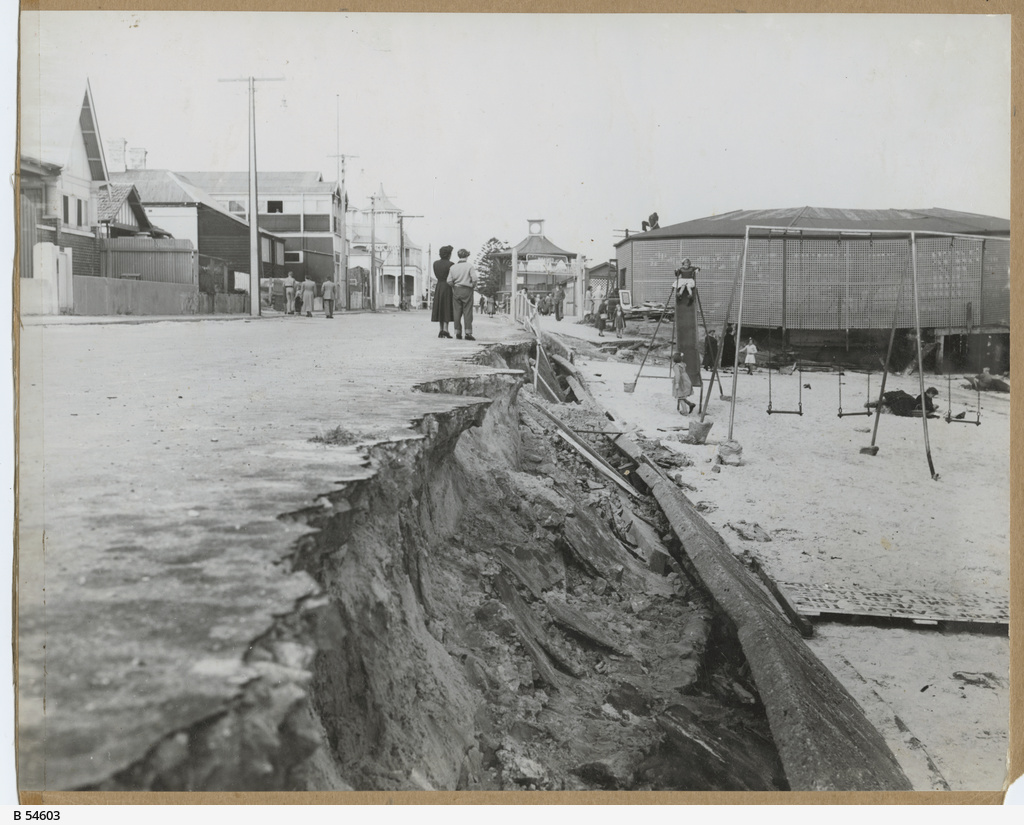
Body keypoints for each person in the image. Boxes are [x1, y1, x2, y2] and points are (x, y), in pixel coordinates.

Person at [449, 248, 477, 341]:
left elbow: (449, 280)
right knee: (467, 312)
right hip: (467, 290)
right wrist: (472, 286)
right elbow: (475, 279)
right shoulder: (469, 266)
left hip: (457, 289)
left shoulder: (453, 267)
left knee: (457, 312)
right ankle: (468, 333)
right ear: (467, 256)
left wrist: (454, 286)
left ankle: (457, 332)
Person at [431, 245, 456, 338]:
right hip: (447, 286)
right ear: (448, 254)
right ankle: (446, 329)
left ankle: (441, 330)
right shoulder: (451, 264)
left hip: (439, 286)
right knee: (446, 307)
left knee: (440, 307)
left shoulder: (435, 263)